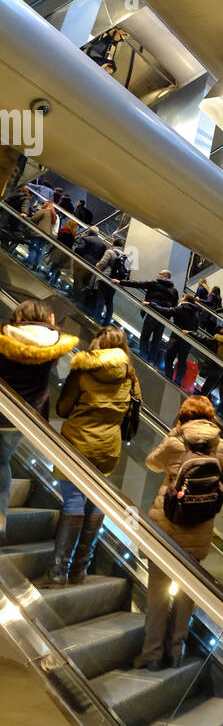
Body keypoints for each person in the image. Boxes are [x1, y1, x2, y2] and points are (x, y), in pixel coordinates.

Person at [137, 395, 223, 669]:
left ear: (183, 417)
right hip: (199, 529)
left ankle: (153, 655)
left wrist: (174, 435)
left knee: (157, 595)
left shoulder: (174, 443)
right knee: (186, 594)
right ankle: (176, 652)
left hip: (166, 527)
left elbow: (151, 463)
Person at [40, 327, 140, 587]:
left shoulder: (83, 370)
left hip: (77, 445)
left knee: (73, 504)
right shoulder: (130, 374)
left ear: (97, 342)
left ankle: (57, 572)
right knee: (96, 504)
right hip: (108, 449)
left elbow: (63, 408)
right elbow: (132, 412)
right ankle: (79, 571)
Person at [0, 302, 77, 535]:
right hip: (24, 418)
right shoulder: (53, 344)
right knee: (2, 460)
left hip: (2, 408)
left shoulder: (6, 337)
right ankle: (0, 516)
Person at [126, 269, 179, 365]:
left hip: (152, 314)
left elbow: (137, 283)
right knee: (156, 341)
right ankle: (151, 362)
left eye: (160, 273)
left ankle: (143, 358)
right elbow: (174, 307)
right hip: (163, 319)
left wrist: (121, 282)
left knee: (145, 337)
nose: (158, 275)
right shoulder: (174, 291)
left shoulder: (155, 283)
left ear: (166, 276)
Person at [163, 292, 199, 384]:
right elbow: (196, 328)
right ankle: (178, 381)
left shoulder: (181, 308)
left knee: (169, 357)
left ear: (186, 300)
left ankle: (168, 376)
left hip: (176, 337)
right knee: (182, 360)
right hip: (188, 340)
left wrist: (152, 304)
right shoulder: (196, 313)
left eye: (183, 297)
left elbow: (166, 311)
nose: (181, 298)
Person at [71, 225, 105, 306]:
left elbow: (79, 249)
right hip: (92, 266)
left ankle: (75, 297)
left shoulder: (85, 239)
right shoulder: (102, 245)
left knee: (78, 280)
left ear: (89, 232)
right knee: (85, 282)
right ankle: (80, 299)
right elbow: (101, 257)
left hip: (82, 263)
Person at [26, 193, 58, 269]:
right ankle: (35, 266)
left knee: (33, 248)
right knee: (39, 250)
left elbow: (34, 219)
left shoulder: (44, 211)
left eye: (43, 203)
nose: (42, 204)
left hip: (38, 233)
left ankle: (28, 264)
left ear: (46, 205)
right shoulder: (54, 215)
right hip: (46, 236)